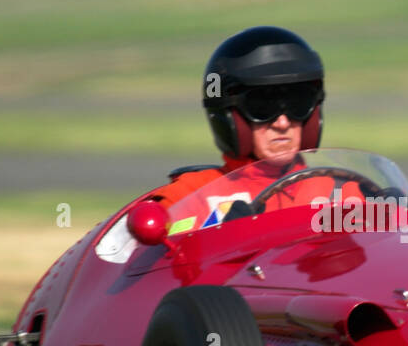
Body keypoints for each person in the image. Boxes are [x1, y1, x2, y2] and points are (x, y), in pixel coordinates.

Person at [143, 25, 348, 218]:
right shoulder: (188, 199)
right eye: (262, 107)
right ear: (230, 117)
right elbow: (151, 250)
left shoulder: (343, 192)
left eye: (298, 104)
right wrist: (219, 236)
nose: (283, 123)